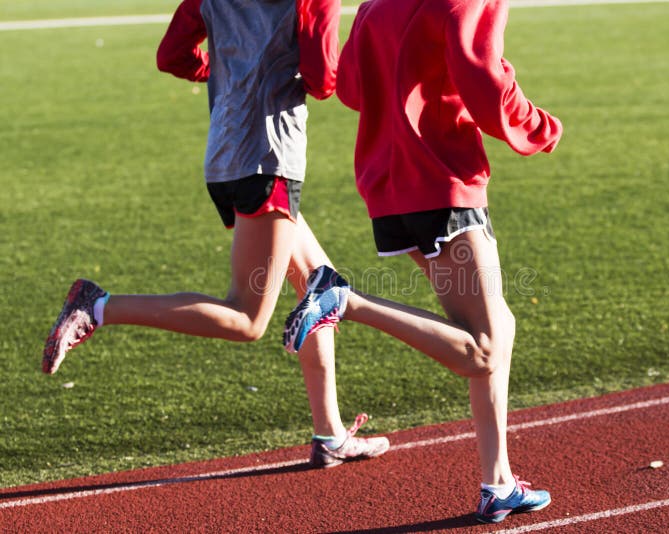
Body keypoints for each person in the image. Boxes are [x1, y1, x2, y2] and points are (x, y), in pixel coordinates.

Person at [41, 0, 389, 468]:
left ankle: (329, 434)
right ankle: (98, 306)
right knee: (247, 318)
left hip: (225, 155)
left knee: (319, 283)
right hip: (269, 159)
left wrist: (223, 74)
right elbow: (324, 80)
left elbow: (172, 56)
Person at [284, 0, 563, 523]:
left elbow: (350, 89)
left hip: (388, 189)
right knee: (482, 349)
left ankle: (498, 481)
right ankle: (344, 300)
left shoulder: (376, 4)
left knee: (498, 323)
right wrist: (537, 126)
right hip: (442, 184)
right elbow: (481, 79)